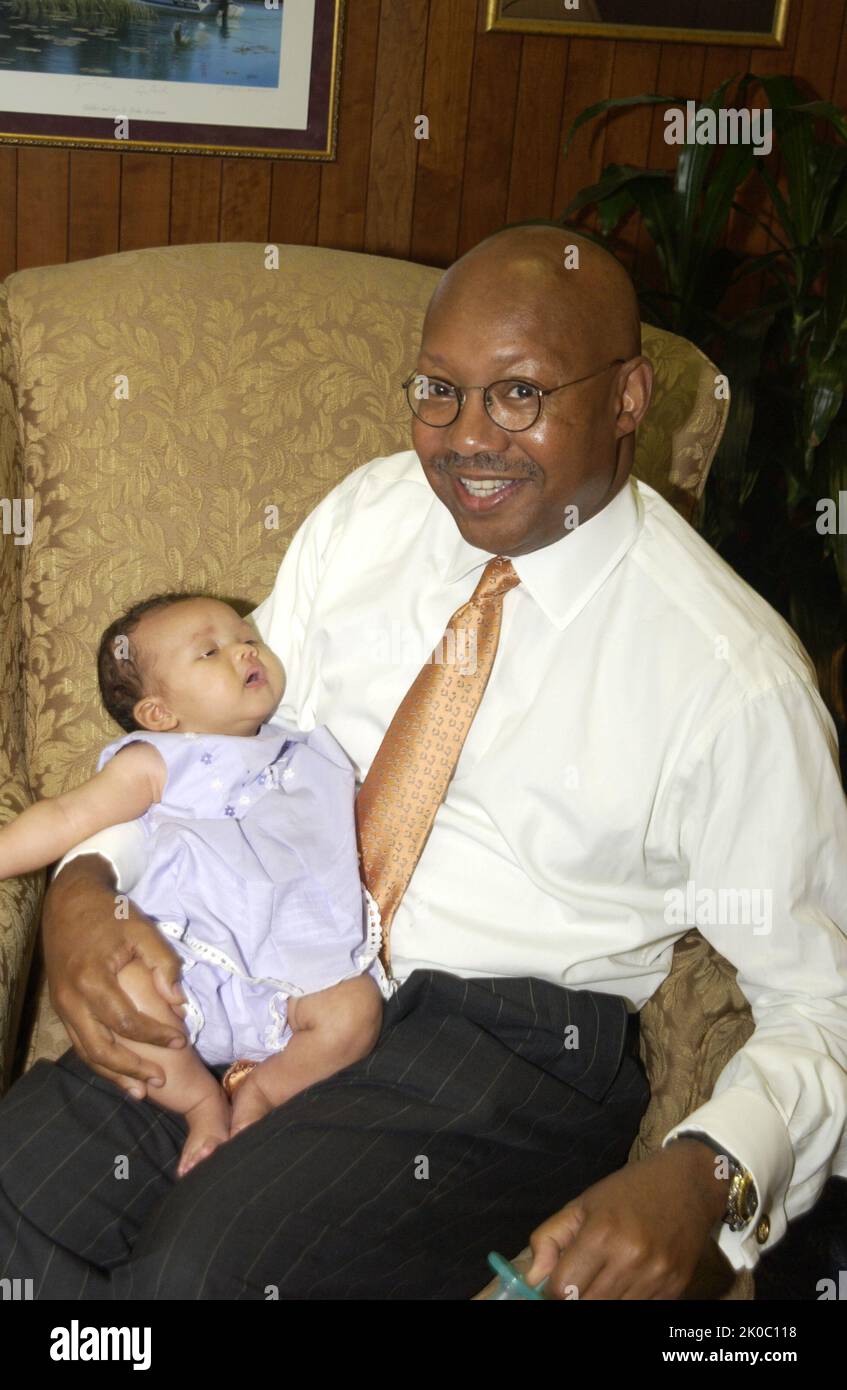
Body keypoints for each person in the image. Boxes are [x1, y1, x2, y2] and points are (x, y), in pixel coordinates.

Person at [1, 225, 845, 1301]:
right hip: (252, 965)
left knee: (202, 1279)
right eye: (437, 390)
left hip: (501, 1044)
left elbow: (825, 1003)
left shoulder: (732, 680)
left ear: (630, 398)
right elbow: (211, 745)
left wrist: (709, 1173)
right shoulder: (374, 512)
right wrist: (85, 887)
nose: (463, 439)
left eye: (519, 395)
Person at [0, 593, 389, 1178]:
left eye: (245, 638)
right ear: (159, 714)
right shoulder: (158, 760)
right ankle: (200, 1105)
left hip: (290, 973)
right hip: (181, 969)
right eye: (210, 651)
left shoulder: (302, 750)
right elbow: (65, 819)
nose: (242, 651)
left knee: (355, 1011)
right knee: (125, 990)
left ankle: (260, 1094)